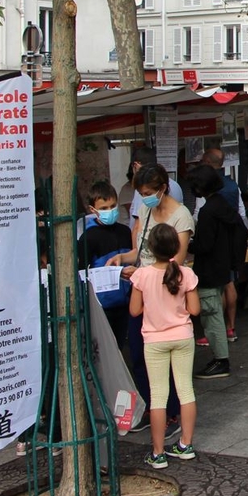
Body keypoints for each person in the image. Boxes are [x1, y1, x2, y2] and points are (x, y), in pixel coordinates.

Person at [108, 164, 194, 439]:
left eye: (148, 193)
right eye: (141, 193)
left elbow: (175, 263)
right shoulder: (145, 210)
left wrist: (143, 274)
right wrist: (123, 259)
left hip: (164, 293)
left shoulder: (181, 216)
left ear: (163, 188)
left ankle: (171, 413)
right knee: (138, 355)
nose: (144, 198)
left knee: (169, 366)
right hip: (142, 289)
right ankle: (152, 408)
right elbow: (140, 250)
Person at [129, 223, 200, 469]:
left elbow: (134, 310)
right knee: (186, 391)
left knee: (158, 396)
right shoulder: (186, 274)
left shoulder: (141, 275)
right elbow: (195, 310)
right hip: (182, 337)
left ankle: (158, 453)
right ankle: (185, 445)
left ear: (150, 247)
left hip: (154, 340)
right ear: (177, 246)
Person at [184, 166, 246, 379]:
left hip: (209, 270)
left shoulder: (208, 211)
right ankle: (220, 358)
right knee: (214, 312)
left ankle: (221, 360)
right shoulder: (223, 205)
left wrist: (186, 244)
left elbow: (205, 245)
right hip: (223, 267)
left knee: (211, 316)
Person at [195, 147, 243, 343]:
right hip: (230, 242)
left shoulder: (206, 186)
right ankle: (231, 327)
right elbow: (242, 213)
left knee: (216, 290)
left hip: (214, 243)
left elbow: (199, 214)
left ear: (207, 161)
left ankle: (218, 329)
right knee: (229, 283)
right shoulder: (233, 185)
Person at [79, 181, 134, 346]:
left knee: (121, 346)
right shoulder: (88, 238)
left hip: (127, 302)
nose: (109, 211)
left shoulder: (125, 232)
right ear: (93, 210)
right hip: (103, 306)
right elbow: (83, 273)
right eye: (103, 209)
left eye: (112, 206)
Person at [127, 148, 184, 220]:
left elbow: (137, 223)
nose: (144, 197)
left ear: (135, 165)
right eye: (141, 195)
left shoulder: (144, 186)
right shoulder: (175, 185)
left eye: (148, 194)